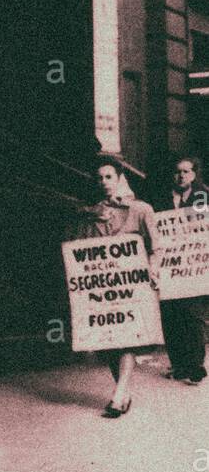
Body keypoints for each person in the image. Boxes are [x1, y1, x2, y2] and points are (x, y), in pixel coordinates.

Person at [74, 154, 162, 415]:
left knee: (127, 340)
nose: (103, 182)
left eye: (109, 176)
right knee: (110, 343)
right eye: (99, 178)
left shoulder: (141, 210)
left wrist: (153, 270)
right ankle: (123, 393)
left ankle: (118, 395)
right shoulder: (91, 214)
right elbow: (82, 253)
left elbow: (155, 248)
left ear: (120, 178)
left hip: (133, 287)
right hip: (103, 290)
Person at [158, 155, 208, 384]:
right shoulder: (161, 198)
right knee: (171, 316)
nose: (181, 176)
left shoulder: (204, 197)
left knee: (194, 314)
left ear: (194, 174)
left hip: (194, 264)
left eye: (186, 172)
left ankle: (196, 365)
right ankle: (178, 364)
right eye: (178, 172)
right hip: (168, 265)